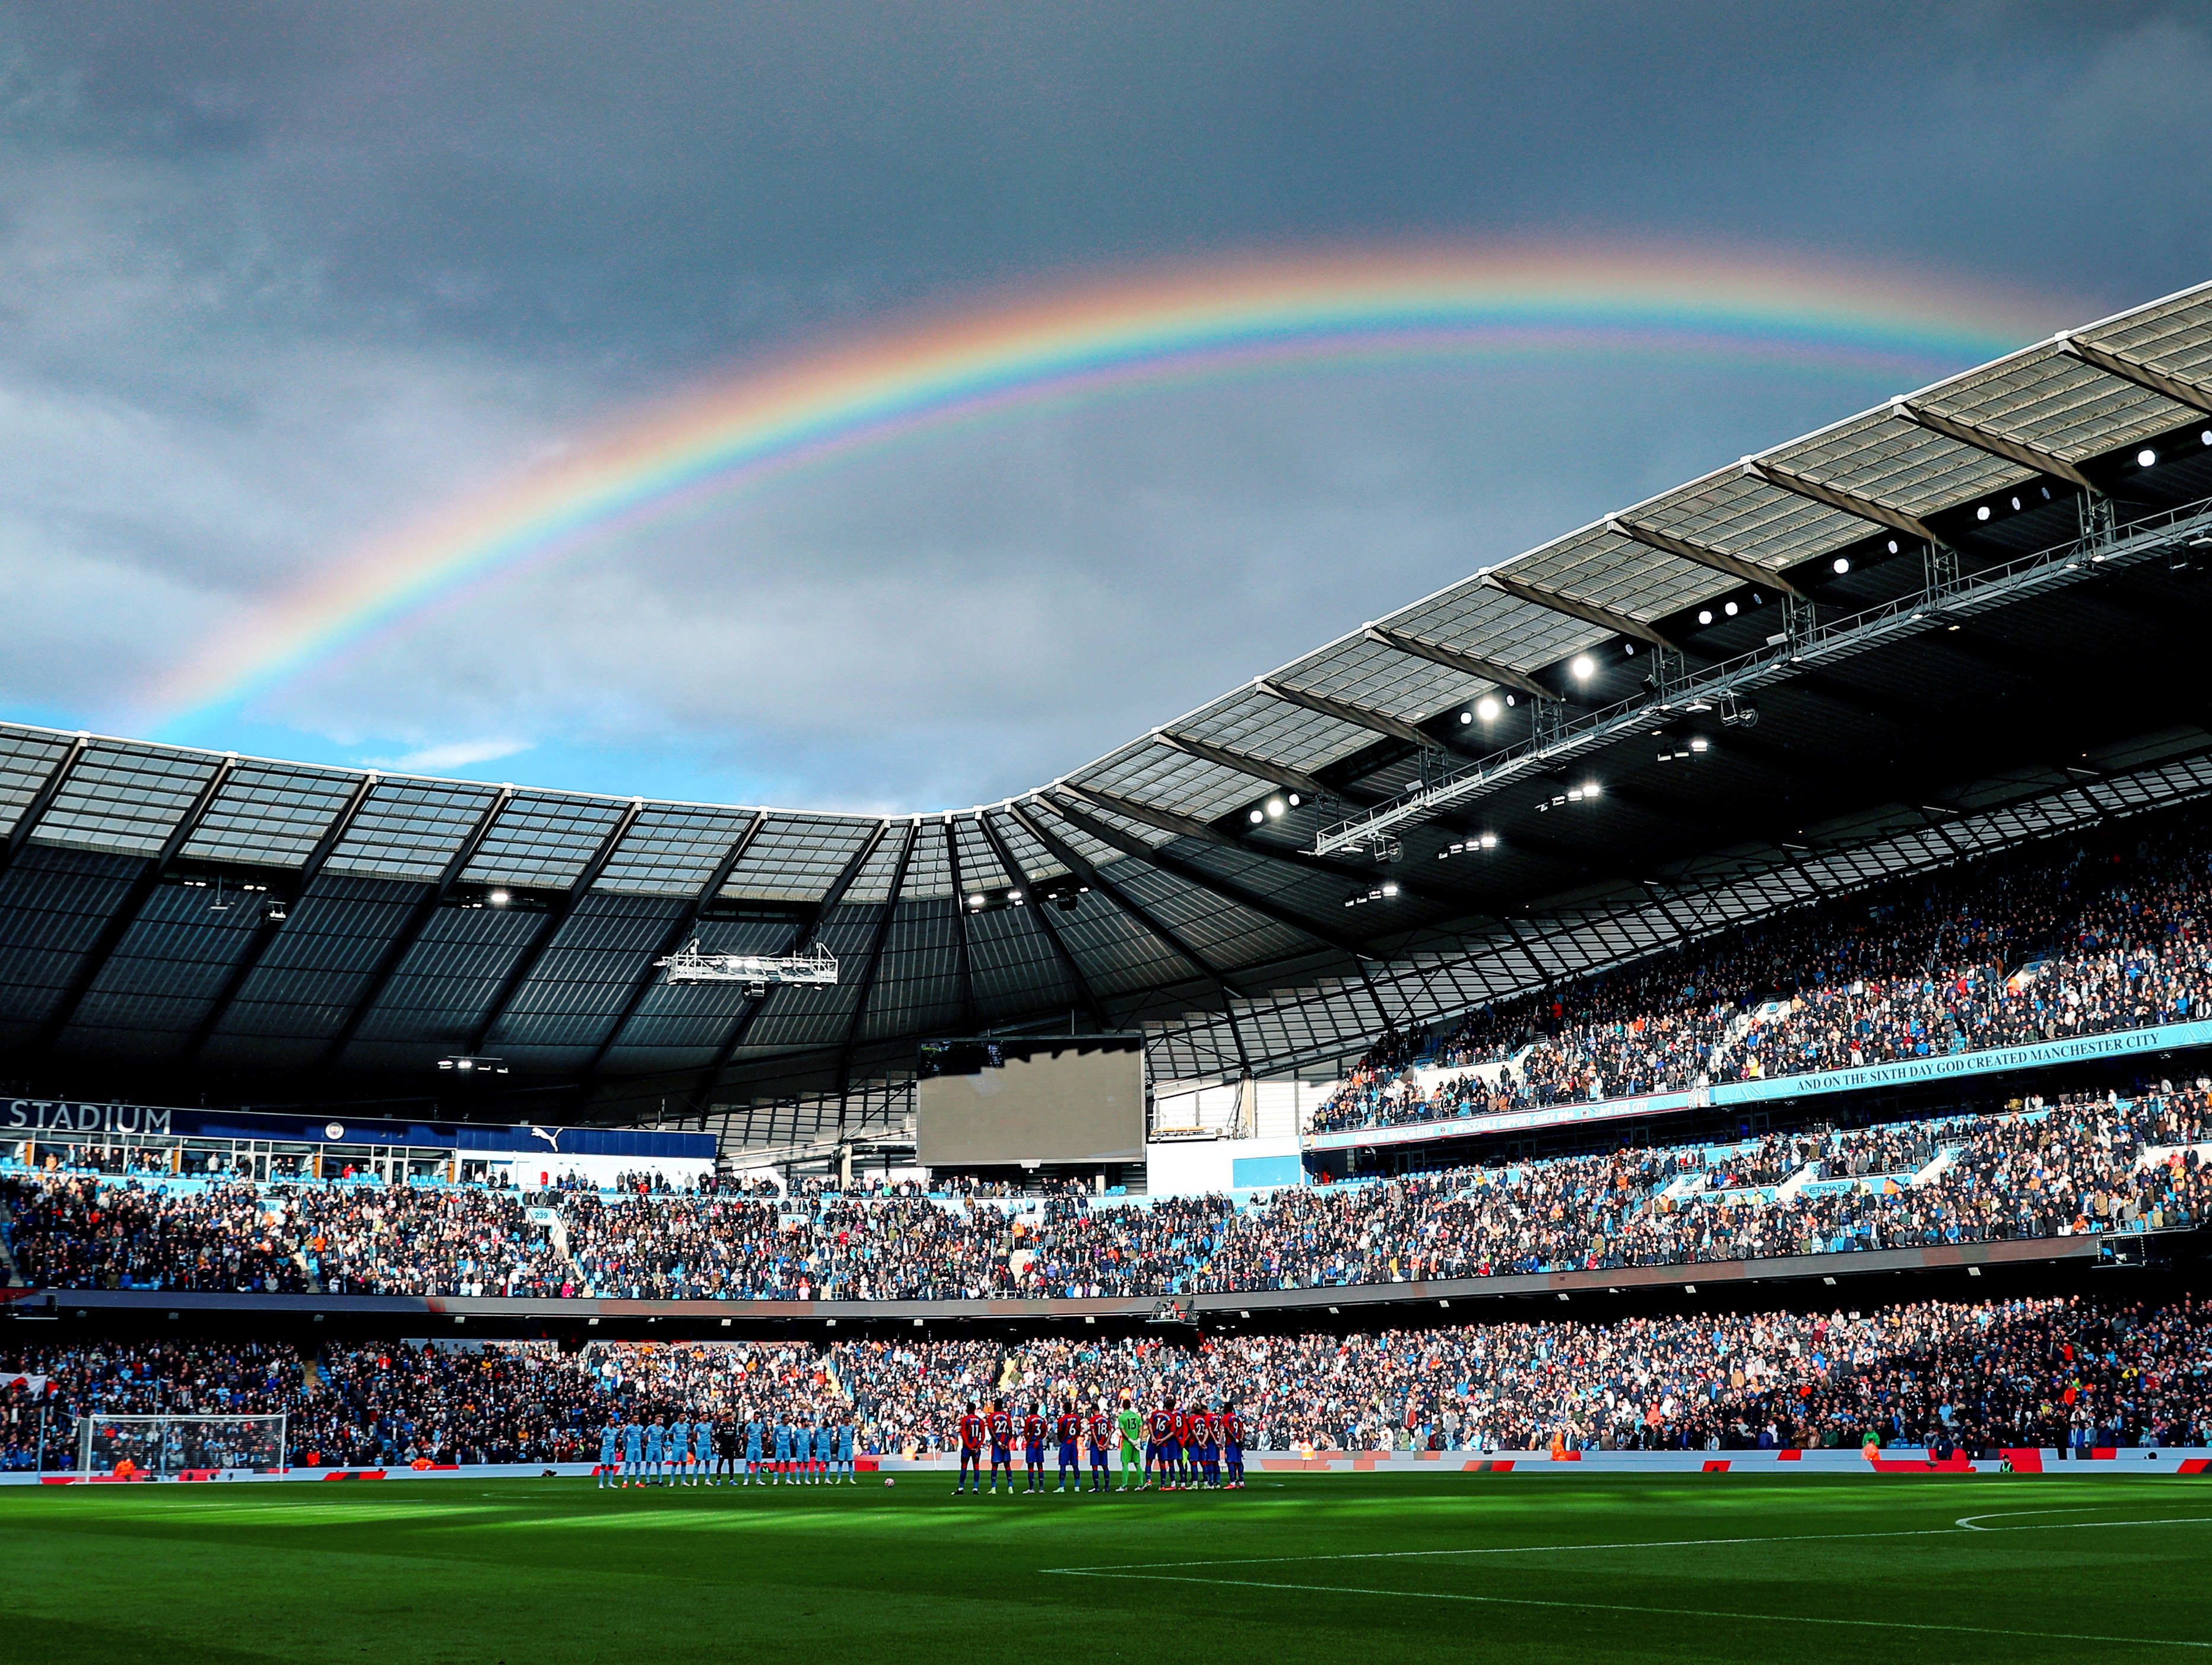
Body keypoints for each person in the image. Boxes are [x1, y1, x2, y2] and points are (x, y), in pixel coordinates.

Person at [954, 1400, 985, 1496]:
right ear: (975, 1410)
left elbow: (963, 1434)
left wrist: (969, 1446)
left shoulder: (965, 1420)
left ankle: (961, 1488)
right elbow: (983, 1436)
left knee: (964, 1467)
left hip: (967, 1448)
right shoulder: (980, 1421)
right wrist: (978, 1446)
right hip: (976, 1447)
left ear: (968, 1410)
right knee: (976, 1467)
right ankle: (975, 1488)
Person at [1118, 1394, 1146, 1492]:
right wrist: (1138, 1439)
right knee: (1138, 1464)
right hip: (1136, 1443)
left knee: (1125, 1464)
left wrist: (1130, 1440)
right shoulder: (1137, 1417)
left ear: (1123, 1406)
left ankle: (1124, 1486)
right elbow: (1141, 1428)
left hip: (1127, 1443)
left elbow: (1122, 1430)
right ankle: (1141, 1484)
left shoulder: (1121, 1417)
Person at [1146, 1399, 1175, 1491]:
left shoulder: (1156, 1413)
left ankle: (1148, 1480)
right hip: (1163, 1443)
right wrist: (1162, 1439)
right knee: (1162, 1463)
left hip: (1153, 1441)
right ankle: (1162, 1485)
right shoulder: (1171, 1417)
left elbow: (1150, 1424)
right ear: (1171, 1407)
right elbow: (1172, 1432)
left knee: (1149, 1461)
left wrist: (1153, 1436)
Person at [986, 1401, 1014, 1495]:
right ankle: (1010, 1487)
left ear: (995, 1407)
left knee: (995, 1465)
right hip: (1005, 1440)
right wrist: (1007, 1443)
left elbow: (991, 1431)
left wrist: (998, 1443)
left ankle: (994, 1488)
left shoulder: (991, 1417)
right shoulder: (1007, 1416)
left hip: (997, 1441)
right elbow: (1010, 1431)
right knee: (1007, 1465)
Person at [1055, 1398, 1082, 1494]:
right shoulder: (1077, 1418)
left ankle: (1062, 1487)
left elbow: (1059, 1433)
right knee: (1075, 1465)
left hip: (1066, 1443)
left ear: (1064, 1409)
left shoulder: (1062, 1420)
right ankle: (1077, 1486)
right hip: (1074, 1443)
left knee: (1063, 1465)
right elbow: (1079, 1431)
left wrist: (1063, 1441)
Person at [1088, 1399, 1115, 1494]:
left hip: (1096, 1446)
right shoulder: (1106, 1420)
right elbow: (1110, 1431)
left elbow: (1093, 1433)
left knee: (1095, 1466)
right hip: (1104, 1445)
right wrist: (1106, 1443)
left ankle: (1097, 1487)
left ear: (1093, 1410)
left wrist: (1098, 1444)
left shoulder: (1092, 1420)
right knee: (1105, 1466)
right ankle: (1107, 1487)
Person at [1022, 1402, 1047, 1495]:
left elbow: (1025, 1433)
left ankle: (1032, 1488)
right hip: (1039, 1443)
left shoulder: (1029, 1420)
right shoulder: (1042, 1420)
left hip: (1032, 1444)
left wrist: (1029, 1440)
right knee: (1040, 1465)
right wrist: (1039, 1439)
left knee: (1031, 1466)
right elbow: (1044, 1433)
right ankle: (1041, 1489)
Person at [1223, 1401, 1246, 1490]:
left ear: (1227, 1408)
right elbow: (1241, 1430)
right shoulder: (1237, 1418)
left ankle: (1232, 1482)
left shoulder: (1226, 1418)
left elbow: (1228, 1430)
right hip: (1238, 1443)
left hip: (1231, 1443)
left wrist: (1235, 1440)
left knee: (1231, 1462)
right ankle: (1241, 1482)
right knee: (1239, 1461)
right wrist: (1240, 1440)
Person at [744, 1407, 765, 1486]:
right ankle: (746, 1479)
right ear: (753, 1417)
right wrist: (748, 1442)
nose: (757, 1418)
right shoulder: (749, 1425)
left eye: (758, 1417)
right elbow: (745, 1434)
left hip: (758, 1446)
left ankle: (758, 1480)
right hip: (751, 1446)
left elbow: (762, 1434)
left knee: (758, 1463)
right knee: (748, 1462)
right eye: (756, 1417)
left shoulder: (761, 1425)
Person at [598, 1418, 620, 1489]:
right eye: (611, 1420)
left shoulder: (616, 1431)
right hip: (606, 1449)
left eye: (614, 1420)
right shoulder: (604, 1430)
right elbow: (600, 1439)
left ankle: (610, 1483)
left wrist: (617, 1448)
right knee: (603, 1465)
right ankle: (601, 1483)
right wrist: (600, 1449)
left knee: (611, 1466)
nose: (613, 1422)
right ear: (608, 1421)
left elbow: (616, 1440)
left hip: (612, 1450)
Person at [621, 1416, 643, 1488]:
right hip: (631, 1448)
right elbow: (624, 1438)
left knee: (638, 1465)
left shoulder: (641, 1428)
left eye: (638, 1418)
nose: (637, 1419)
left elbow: (641, 1437)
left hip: (638, 1448)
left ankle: (638, 1482)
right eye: (636, 1418)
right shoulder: (628, 1428)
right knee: (628, 1465)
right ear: (632, 1419)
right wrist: (627, 1446)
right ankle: (625, 1482)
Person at [644, 1416, 666, 1486]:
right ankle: (648, 1481)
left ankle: (660, 1481)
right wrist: (646, 1444)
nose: (660, 1421)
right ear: (655, 1420)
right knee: (648, 1463)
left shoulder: (662, 1429)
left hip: (658, 1448)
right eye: (659, 1420)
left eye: (661, 1420)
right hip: (651, 1447)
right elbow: (646, 1437)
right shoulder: (650, 1428)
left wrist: (662, 1444)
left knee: (659, 1464)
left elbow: (663, 1438)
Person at [835, 1412, 856, 1483]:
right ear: (843, 1419)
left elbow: (853, 1436)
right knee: (840, 1462)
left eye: (848, 1418)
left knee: (850, 1462)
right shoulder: (841, 1428)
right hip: (842, 1447)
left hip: (849, 1447)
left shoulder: (852, 1428)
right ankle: (839, 1479)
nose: (847, 1420)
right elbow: (838, 1436)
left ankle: (851, 1479)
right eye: (846, 1418)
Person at [773, 1415, 793, 1485]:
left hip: (787, 1447)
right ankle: (775, 1480)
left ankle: (788, 1480)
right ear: (783, 1420)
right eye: (787, 1419)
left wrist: (787, 1443)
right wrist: (777, 1445)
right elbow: (774, 1438)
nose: (788, 1421)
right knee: (777, 1463)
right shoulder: (778, 1428)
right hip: (780, 1448)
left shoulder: (789, 1428)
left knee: (787, 1463)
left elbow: (790, 1437)